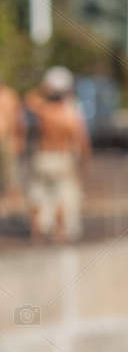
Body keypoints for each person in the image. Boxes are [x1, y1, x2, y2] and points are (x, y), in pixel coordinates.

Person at [24, 65, 91, 242]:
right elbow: (82, 138)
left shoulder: (42, 110)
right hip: (62, 157)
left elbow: (29, 99)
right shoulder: (69, 113)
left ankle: (38, 230)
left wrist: (44, 88)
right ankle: (60, 231)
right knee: (64, 194)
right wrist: (85, 159)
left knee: (39, 194)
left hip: (42, 157)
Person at [0, 77, 27, 213]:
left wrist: (20, 138)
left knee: (9, 171)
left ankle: (10, 201)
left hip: (7, 138)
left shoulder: (10, 96)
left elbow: (19, 119)